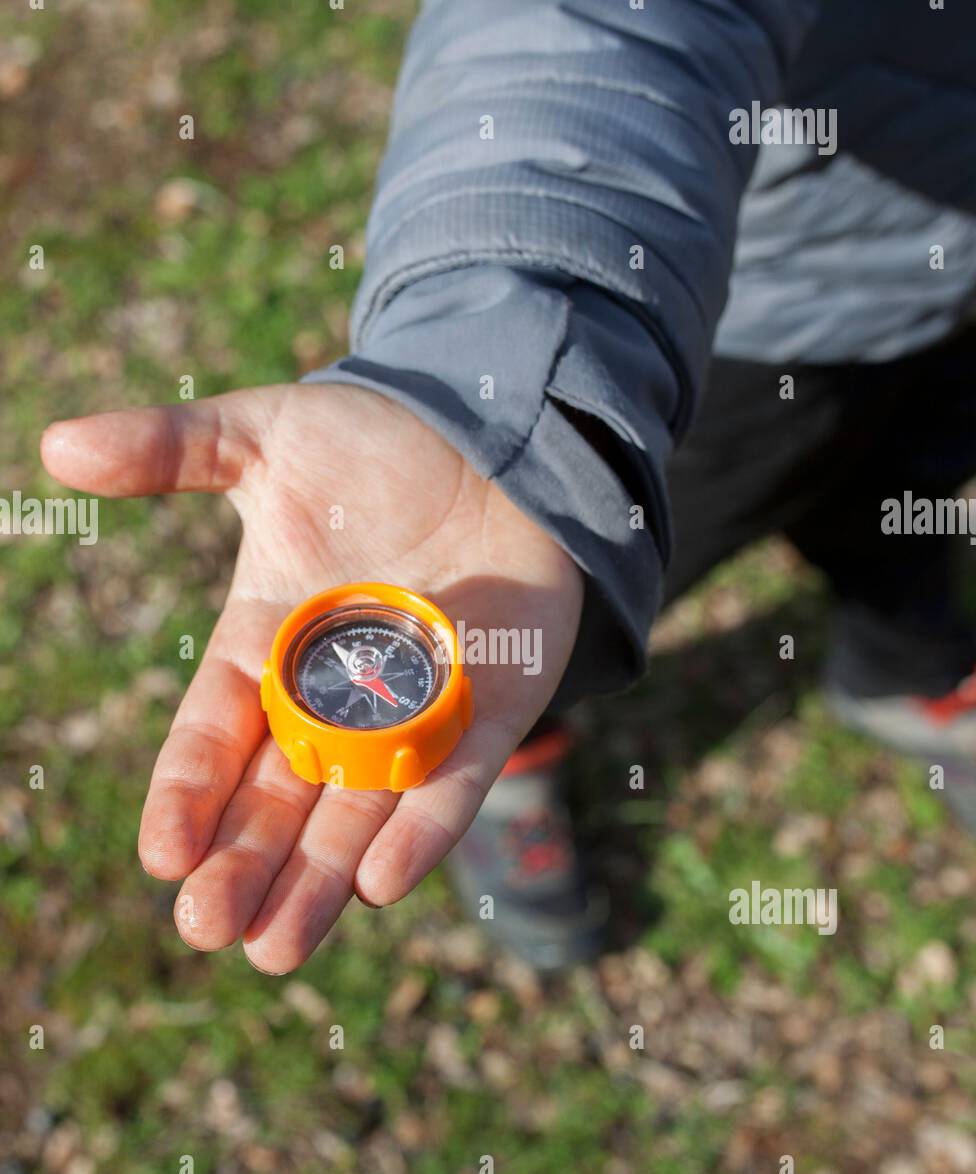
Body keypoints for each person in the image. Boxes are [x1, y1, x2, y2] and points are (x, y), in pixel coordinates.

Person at [41, 0, 976, 974]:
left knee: (906, 488)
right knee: (564, 574)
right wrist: (506, 374)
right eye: (374, 685)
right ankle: (512, 738)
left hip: (943, 292)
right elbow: (590, 27)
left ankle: (902, 658)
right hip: (755, 304)